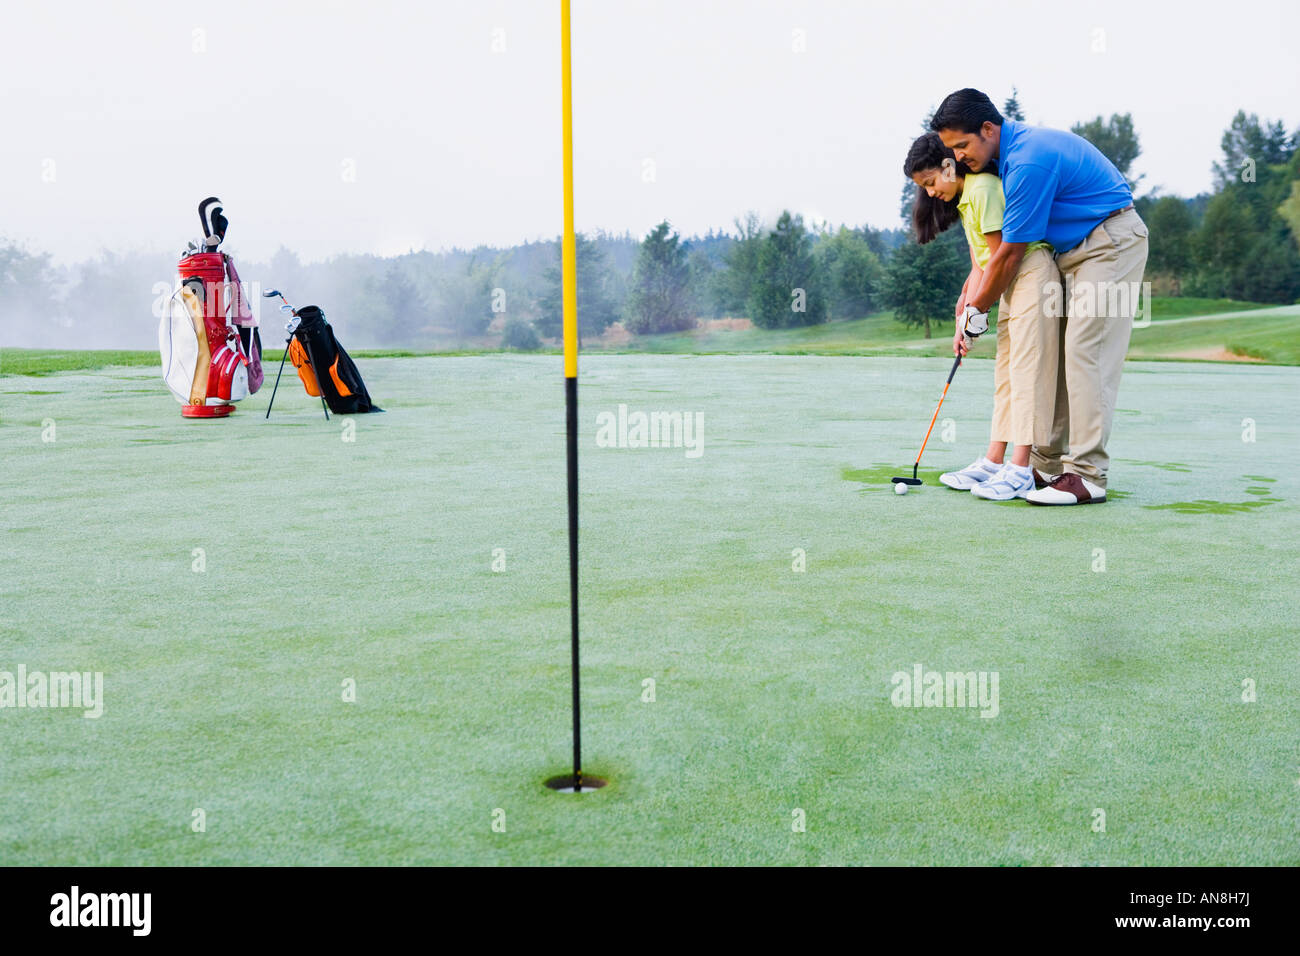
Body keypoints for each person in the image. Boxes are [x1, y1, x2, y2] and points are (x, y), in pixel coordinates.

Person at [931, 89, 1149, 505]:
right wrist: (973, 297)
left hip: (1111, 242)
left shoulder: (1028, 160)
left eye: (962, 145)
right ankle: (1045, 467)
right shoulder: (1009, 159)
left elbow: (1010, 252)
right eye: (951, 149)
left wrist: (977, 311)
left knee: (1087, 351)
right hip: (1072, 252)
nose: (958, 158)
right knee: (1061, 358)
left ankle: (1087, 476)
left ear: (989, 129)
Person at [903, 133, 1061, 501]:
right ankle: (994, 461)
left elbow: (1003, 257)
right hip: (1010, 283)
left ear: (948, 166)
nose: (929, 193)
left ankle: (1021, 468)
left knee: (1026, 372)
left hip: (1030, 276)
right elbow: (981, 264)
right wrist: (965, 307)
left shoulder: (982, 189)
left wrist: (979, 311)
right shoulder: (966, 199)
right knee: (1006, 374)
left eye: (930, 183)